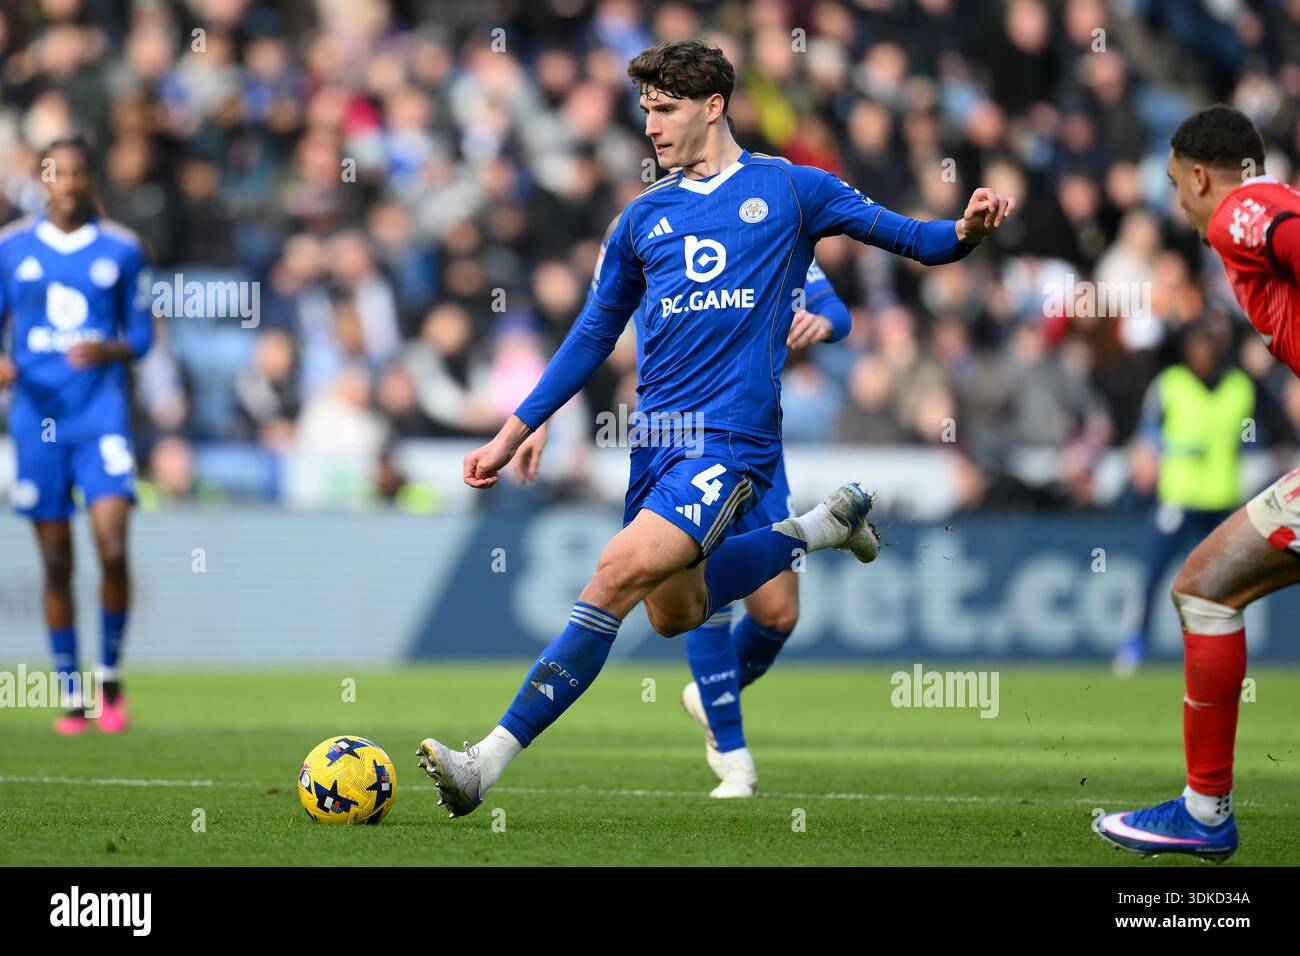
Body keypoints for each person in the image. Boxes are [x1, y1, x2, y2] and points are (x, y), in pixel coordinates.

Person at [417, 39, 1012, 818]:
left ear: (713, 105)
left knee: (612, 577)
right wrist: (517, 427)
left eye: (664, 109)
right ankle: (820, 529)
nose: (651, 126)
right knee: (676, 614)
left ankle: (484, 764)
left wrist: (966, 230)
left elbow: (914, 240)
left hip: (731, 443)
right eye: (644, 111)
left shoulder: (792, 189)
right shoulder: (641, 219)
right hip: (654, 448)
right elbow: (593, 334)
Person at [516, 237, 854, 798]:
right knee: (704, 596)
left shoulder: (773, 215)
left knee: (779, 614)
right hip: (677, 441)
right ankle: (734, 753)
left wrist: (822, 324)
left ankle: (710, 694)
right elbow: (591, 330)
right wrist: (539, 416)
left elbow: (836, 311)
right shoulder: (641, 230)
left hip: (751, 437)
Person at [1094, 105, 1300, 862]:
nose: (1176, 200)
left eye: (1178, 183)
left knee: (1205, 589)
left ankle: (1206, 814)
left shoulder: (1239, 211)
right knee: (1206, 586)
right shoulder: (1268, 202)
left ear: (1201, 175)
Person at [0, 136, 153, 734]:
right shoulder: (11, 247)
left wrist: (109, 347)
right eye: (55, 173)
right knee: (57, 562)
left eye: (76, 172)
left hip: (101, 416)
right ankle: (71, 693)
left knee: (112, 549)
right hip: (38, 421)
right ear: (42, 180)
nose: (66, 182)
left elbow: (140, 337)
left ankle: (109, 676)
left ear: (90, 178)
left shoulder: (121, 248)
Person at [1112, 321, 1255, 676]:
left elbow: (1256, 436)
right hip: (1180, 496)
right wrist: (1166, 452)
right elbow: (1148, 435)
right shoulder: (1170, 385)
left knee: (1230, 585)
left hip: (1223, 496)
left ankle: (1223, 656)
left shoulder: (1240, 388)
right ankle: (1135, 644)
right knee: (1155, 574)